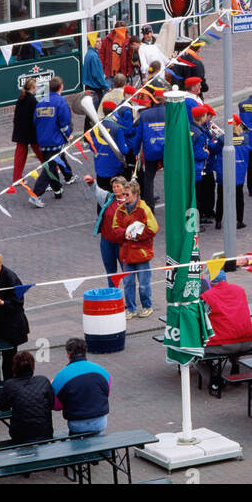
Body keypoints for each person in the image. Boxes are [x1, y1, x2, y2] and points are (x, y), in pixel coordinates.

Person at [100, 178, 158, 318]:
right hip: (126, 253)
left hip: (141, 253)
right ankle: (131, 309)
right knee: (128, 283)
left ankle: (147, 306)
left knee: (143, 284)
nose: (124, 197)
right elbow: (114, 229)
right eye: (124, 194)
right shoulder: (120, 210)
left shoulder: (144, 209)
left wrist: (137, 236)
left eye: (127, 194)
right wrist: (126, 234)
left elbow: (153, 229)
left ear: (135, 194)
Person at [201, 266, 252, 395]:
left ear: (210, 282)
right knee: (234, 330)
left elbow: (202, 317)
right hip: (248, 340)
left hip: (226, 344)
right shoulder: (240, 290)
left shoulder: (208, 295)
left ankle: (214, 379)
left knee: (195, 352)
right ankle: (235, 365)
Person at [0, 250, 28, 385]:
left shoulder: (11, 278)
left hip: (10, 327)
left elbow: (18, 303)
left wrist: (2, 302)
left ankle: (9, 386)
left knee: (9, 359)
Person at [51, 337, 110, 436]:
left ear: (69, 355)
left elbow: (56, 406)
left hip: (77, 424)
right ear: (85, 352)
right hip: (99, 422)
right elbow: (106, 394)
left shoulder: (60, 377)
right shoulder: (103, 372)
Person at [0, 350, 55, 444]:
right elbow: (51, 404)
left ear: (14, 367)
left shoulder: (10, 385)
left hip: (20, 435)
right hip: (45, 432)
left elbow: (2, 406)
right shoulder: (43, 380)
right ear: (32, 366)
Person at [32, 76, 74, 196]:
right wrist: (68, 135)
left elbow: (35, 121)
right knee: (49, 169)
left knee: (52, 164)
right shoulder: (61, 101)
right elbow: (64, 122)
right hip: (55, 140)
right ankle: (36, 194)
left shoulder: (41, 101)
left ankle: (57, 190)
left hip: (42, 140)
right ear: (61, 87)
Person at [10, 79, 44, 184]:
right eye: (36, 87)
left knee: (19, 156)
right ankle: (51, 169)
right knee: (41, 153)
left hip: (20, 130)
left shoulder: (20, 98)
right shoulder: (33, 101)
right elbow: (37, 116)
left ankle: (17, 178)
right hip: (31, 131)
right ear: (33, 88)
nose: (37, 88)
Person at [81, 40, 110, 132]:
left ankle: (87, 136)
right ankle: (92, 136)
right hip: (95, 90)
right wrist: (107, 87)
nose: (100, 43)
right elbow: (97, 75)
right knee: (95, 113)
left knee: (89, 113)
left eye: (100, 41)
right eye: (97, 41)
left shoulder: (89, 53)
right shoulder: (94, 56)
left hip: (89, 88)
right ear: (92, 42)